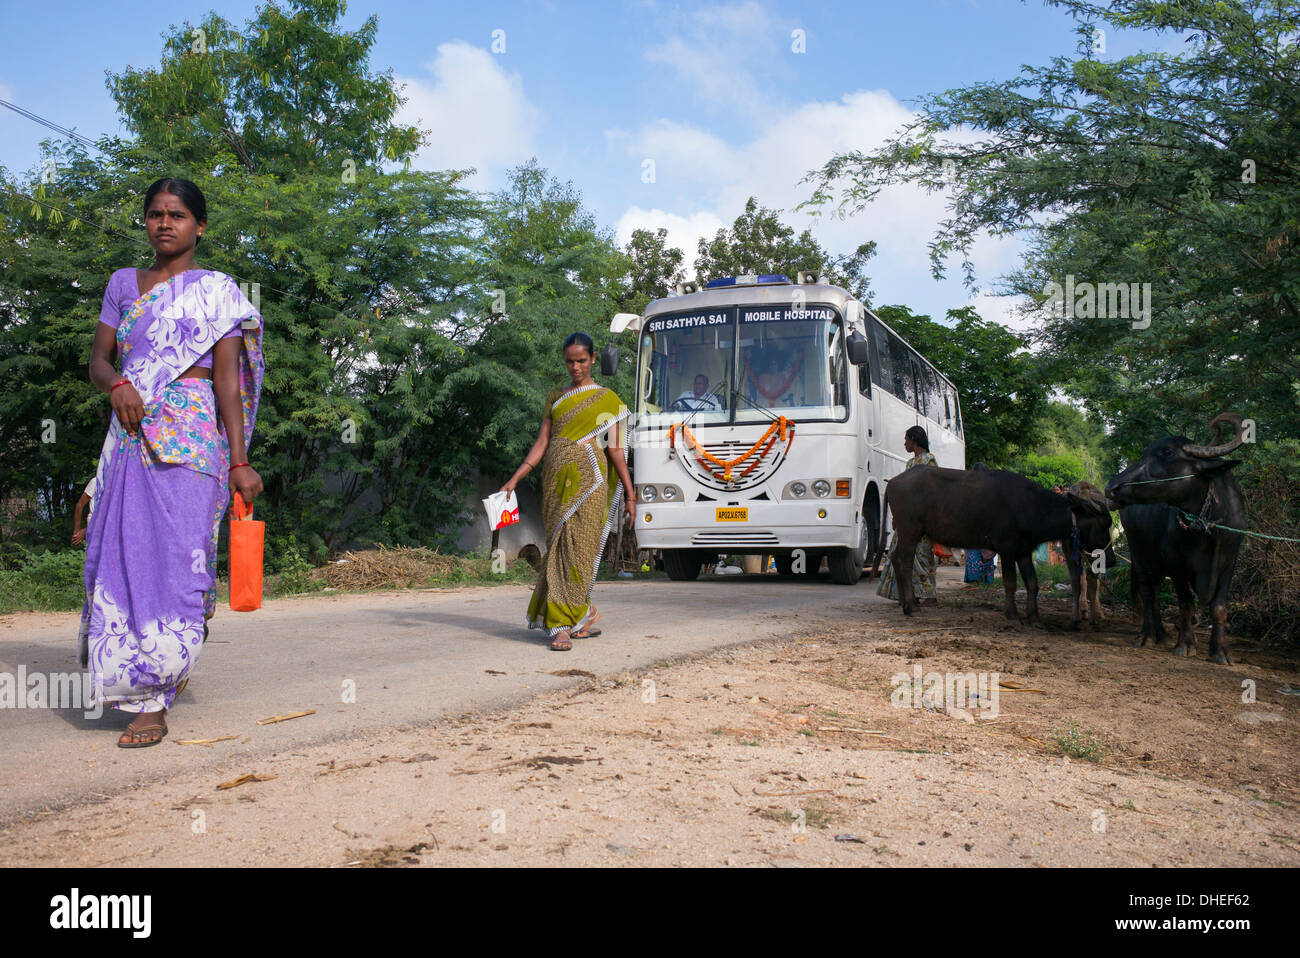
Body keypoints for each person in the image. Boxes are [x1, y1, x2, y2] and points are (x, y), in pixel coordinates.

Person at [81, 177, 265, 747]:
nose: (165, 222)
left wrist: (239, 461)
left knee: (182, 568)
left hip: (193, 443)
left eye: (178, 215)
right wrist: (116, 387)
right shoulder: (121, 284)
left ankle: (161, 681)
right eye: (156, 214)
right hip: (132, 435)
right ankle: (142, 693)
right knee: (128, 560)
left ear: (199, 226)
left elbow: (229, 384)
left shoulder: (218, 292)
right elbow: (98, 361)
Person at [501, 332, 635, 651]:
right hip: (556, 480)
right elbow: (542, 443)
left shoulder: (607, 399)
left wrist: (630, 493)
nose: (575, 367)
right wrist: (515, 478)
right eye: (569, 361)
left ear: (592, 359)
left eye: (581, 361)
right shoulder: (555, 396)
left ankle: (564, 623)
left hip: (591, 481)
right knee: (559, 547)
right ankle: (579, 615)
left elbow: (615, 450)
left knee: (580, 552)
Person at [878, 425, 939, 604]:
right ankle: (906, 593)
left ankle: (928, 594)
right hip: (909, 519)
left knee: (922, 555)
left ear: (914, 439)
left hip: (923, 518)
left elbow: (933, 492)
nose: (905, 444)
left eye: (906, 440)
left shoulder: (929, 461)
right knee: (904, 553)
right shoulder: (911, 464)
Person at [71, 475, 95, 547]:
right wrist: (76, 532)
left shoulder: (120, 485)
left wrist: (86, 531)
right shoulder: (96, 482)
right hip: (94, 525)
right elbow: (80, 504)